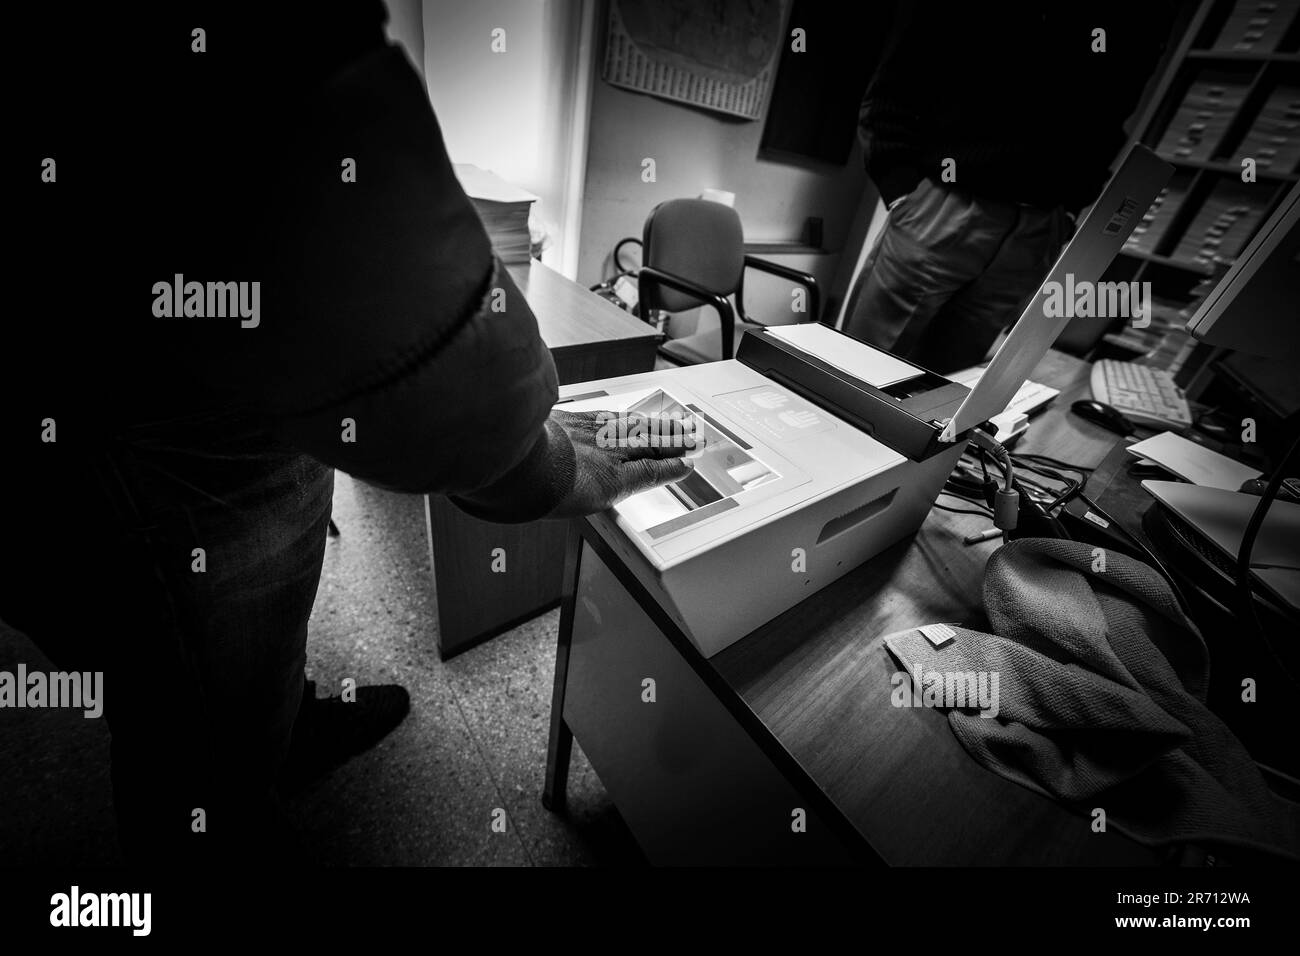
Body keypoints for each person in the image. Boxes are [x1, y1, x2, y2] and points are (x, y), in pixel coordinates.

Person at [4, 2, 692, 864]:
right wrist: (534, 457)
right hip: (121, 428)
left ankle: (282, 722)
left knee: (243, 631)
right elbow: (387, 296)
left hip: (156, 381)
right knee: (194, 724)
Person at [842, 1, 1174, 374]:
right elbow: (898, 85)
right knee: (864, 371)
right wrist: (902, 191)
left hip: (1039, 225)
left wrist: (1068, 210)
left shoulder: (1142, 16)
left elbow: (1111, 118)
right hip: (943, 204)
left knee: (947, 388)